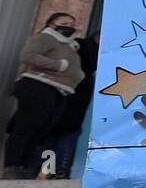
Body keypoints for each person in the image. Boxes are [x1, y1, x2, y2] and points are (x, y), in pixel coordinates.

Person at [2, 12, 84, 179]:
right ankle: (12, 165)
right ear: (52, 24)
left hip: (59, 91)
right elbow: (28, 56)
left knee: (41, 130)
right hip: (38, 86)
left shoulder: (69, 45)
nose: (69, 26)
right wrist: (57, 65)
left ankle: (25, 167)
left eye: (72, 23)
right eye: (64, 22)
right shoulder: (45, 38)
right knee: (27, 127)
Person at [45, 30, 99, 178]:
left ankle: (56, 170)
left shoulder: (82, 47)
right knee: (59, 134)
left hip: (72, 98)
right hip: (67, 95)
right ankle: (55, 170)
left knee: (62, 134)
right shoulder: (80, 47)